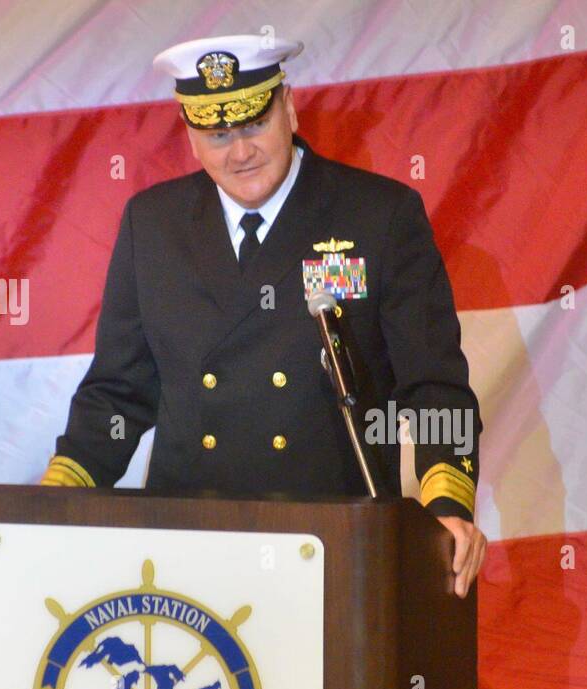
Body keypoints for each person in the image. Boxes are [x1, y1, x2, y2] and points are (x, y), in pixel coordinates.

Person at [41, 34, 487, 596]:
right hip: (188, 544)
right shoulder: (151, 225)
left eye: (253, 125)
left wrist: (445, 503)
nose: (240, 152)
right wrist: (56, 495)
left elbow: (433, 387)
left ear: (289, 108)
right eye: (218, 135)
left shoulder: (380, 216)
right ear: (191, 137)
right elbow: (118, 392)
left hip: (332, 542)